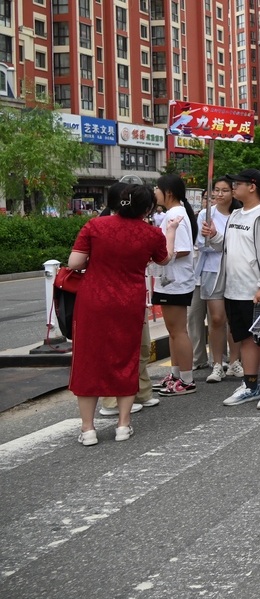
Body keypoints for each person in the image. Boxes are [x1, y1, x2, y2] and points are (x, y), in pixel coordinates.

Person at [68, 184, 175, 445]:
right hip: (128, 301)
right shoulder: (152, 234)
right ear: (148, 208)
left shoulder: (95, 226)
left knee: (89, 359)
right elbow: (165, 259)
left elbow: (74, 263)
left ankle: (88, 430)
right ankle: (123, 426)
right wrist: (170, 232)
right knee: (126, 358)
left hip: (94, 299)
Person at [203, 169, 260, 410]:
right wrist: (214, 236)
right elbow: (228, 246)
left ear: (252, 186)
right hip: (234, 290)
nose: (233, 188)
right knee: (245, 339)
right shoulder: (236, 215)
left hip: (259, 293)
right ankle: (250, 385)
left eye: (237, 184)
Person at [152, 174, 199, 396]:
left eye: (157, 188)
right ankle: (176, 374)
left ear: (168, 192)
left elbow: (183, 249)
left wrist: (158, 257)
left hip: (175, 281)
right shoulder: (174, 213)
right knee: (173, 331)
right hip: (170, 280)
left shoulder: (174, 214)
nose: (154, 192)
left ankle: (187, 380)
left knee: (178, 331)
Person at [191, 177, 242, 384]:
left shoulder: (240, 214)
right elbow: (200, 244)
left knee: (234, 318)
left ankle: (235, 361)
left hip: (236, 270)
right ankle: (218, 364)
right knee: (217, 318)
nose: (219, 194)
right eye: (216, 190)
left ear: (233, 192)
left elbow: (240, 245)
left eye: (224, 190)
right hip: (212, 270)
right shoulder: (206, 214)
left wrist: (217, 239)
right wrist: (211, 239)